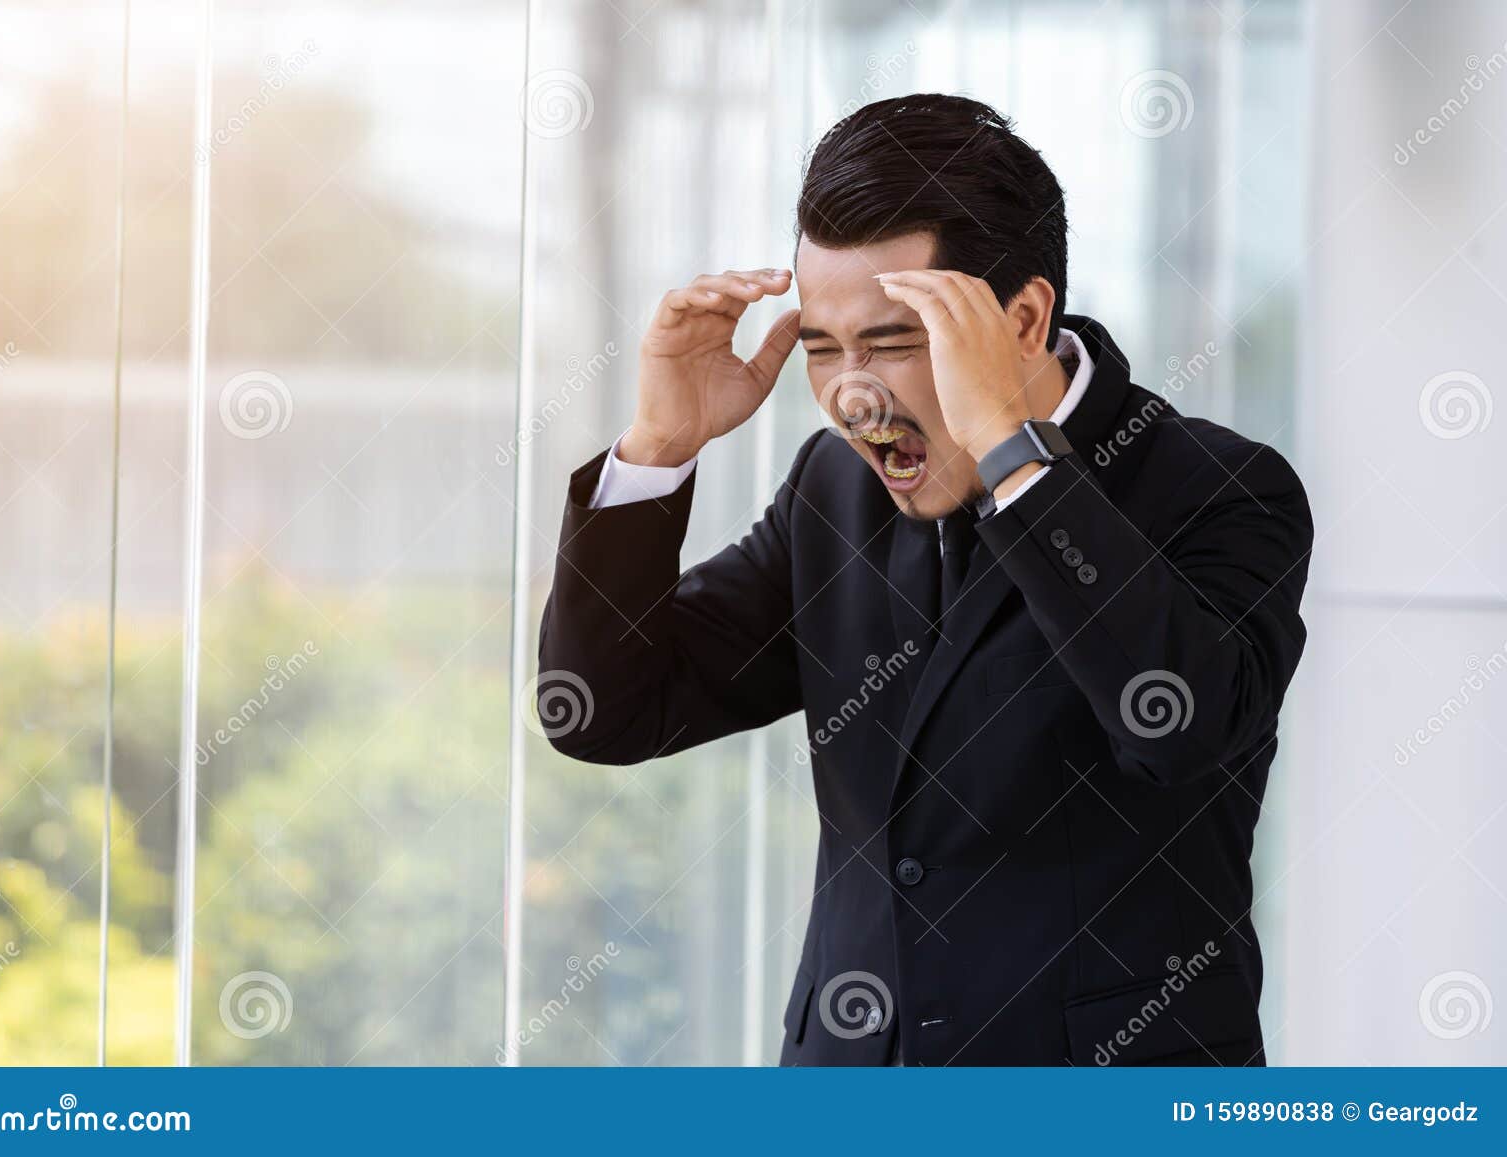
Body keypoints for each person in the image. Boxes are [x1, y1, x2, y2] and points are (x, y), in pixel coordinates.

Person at [537, 94, 1312, 1066]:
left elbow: (1178, 728)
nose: (853, 398)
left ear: (1022, 319)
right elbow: (603, 713)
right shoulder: (831, 493)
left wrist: (1008, 451)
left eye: (895, 343)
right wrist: (658, 448)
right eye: (822, 348)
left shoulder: (1219, 487)